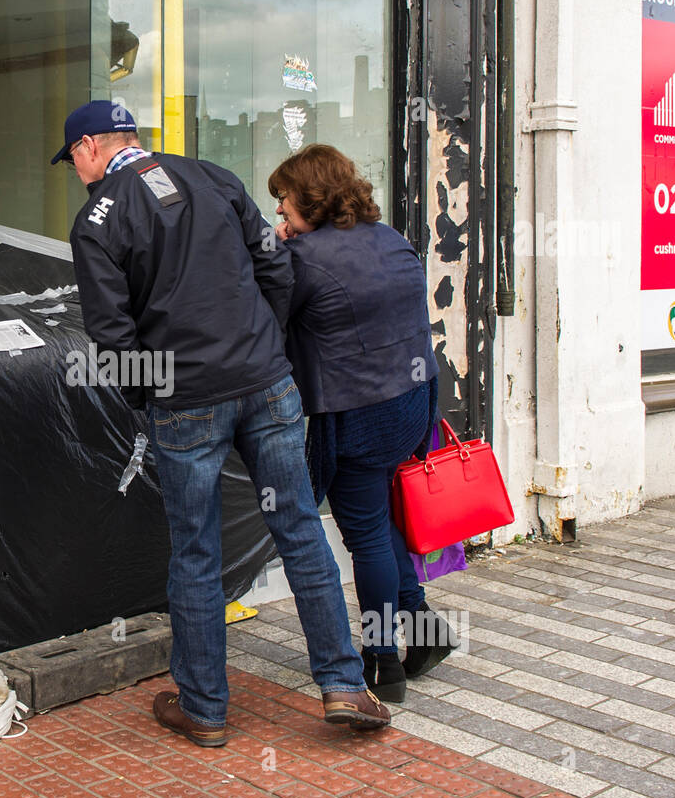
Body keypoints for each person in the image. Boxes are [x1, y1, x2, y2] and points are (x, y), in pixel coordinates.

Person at [53, 100, 389, 746]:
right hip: (265, 381)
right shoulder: (212, 176)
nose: (76, 172)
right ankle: (344, 682)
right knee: (299, 528)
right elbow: (275, 267)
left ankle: (205, 706)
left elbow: (113, 338)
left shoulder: (96, 220)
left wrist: (147, 399)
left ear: (91, 147)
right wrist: (265, 343)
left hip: (187, 399)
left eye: (73, 160)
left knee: (196, 551)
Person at [270, 144, 458, 702]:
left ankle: (382, 663)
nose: (280, 215)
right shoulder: (391, 238)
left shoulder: (302, 261)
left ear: (310, 198)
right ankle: (423, 630)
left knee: (367, 534)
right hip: (412, 402)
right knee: (381, 519)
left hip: (357, 414)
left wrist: (280, 254)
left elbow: (269, 322)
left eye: (284, 203)